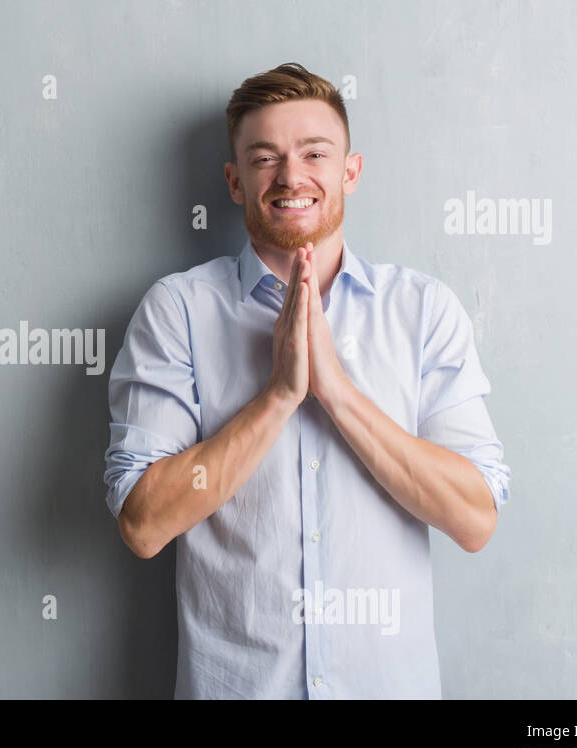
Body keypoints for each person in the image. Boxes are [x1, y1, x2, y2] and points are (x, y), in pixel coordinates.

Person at [102, 62, 511, 699]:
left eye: (314, 153)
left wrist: (338, 394)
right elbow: (143, 524)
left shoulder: (423, 310)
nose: (292, 177)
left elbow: (475, 518)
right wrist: (279, 397)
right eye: (265, 159)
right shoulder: (176, 311)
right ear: (235, 183)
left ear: (350, 171)